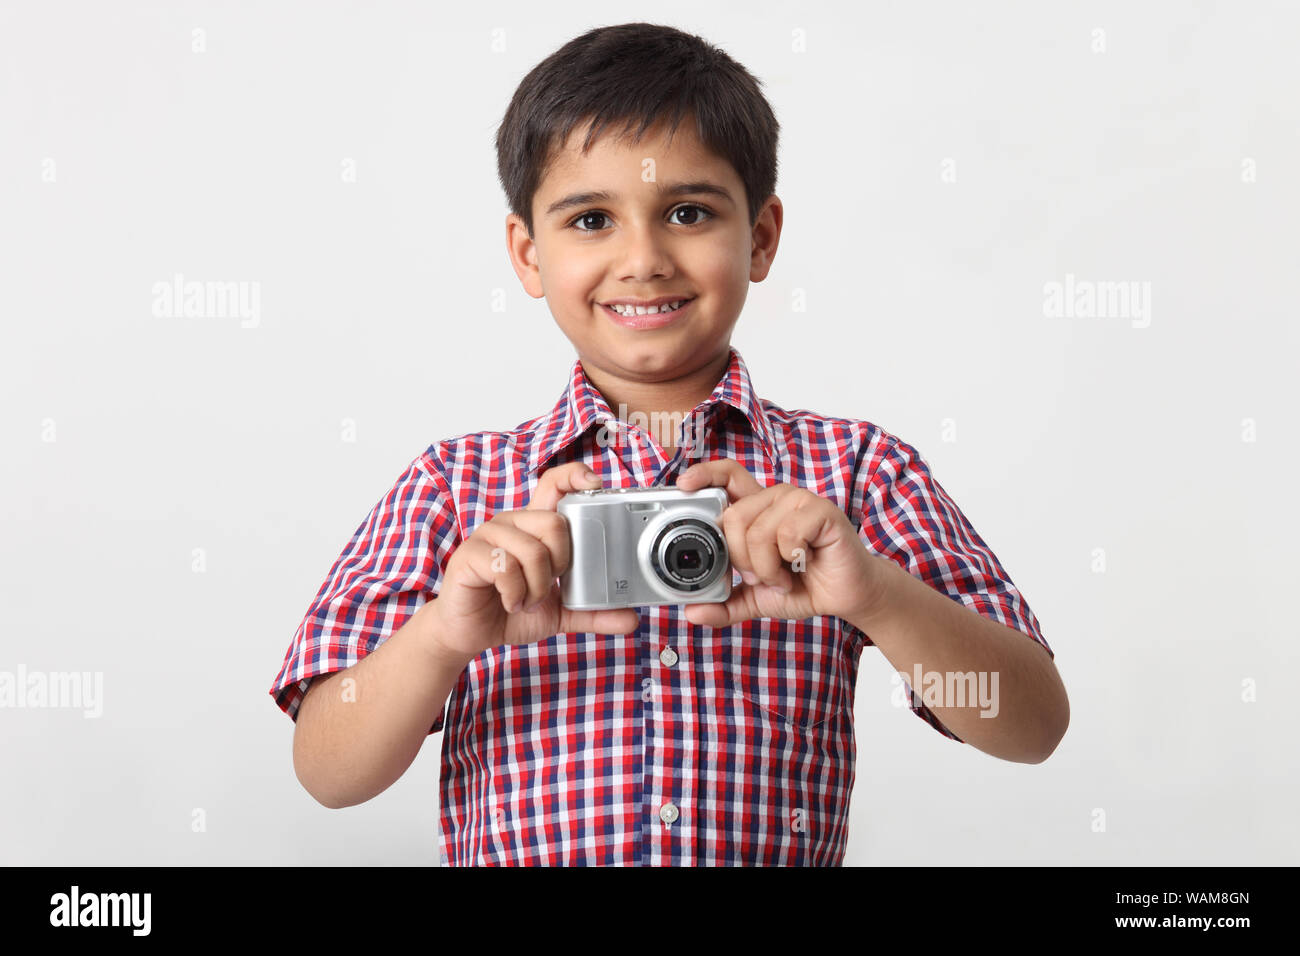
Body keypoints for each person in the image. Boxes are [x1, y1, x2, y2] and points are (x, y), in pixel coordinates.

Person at [269, 21, 1069, 866]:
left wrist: (874, 594)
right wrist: (443, 634)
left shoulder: (856, 475)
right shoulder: (455, 486)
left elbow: (1030, 725)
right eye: (589, 220)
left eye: (687, 212)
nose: (643, 259)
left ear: (760, 238)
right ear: (527, 253)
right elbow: (329, 770)